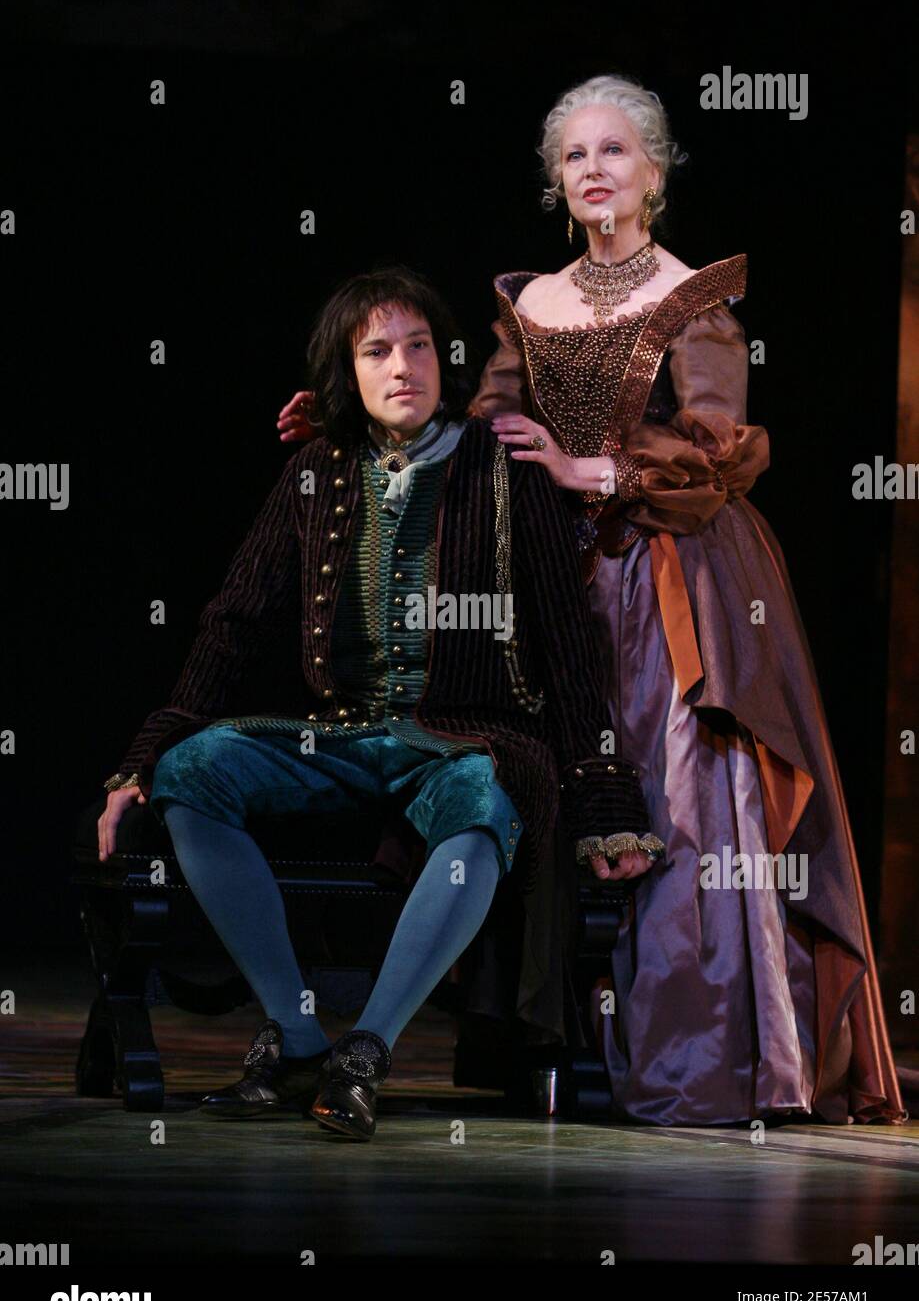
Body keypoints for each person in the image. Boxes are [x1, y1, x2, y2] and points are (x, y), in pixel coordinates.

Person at [277, 76, 906, 1127]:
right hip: (551, 581)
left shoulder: (694, 303)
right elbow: (475, 433)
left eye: (615, 152)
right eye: (574, 157)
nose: (594, 171)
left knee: (680, 797)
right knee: (554, 781)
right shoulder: (532, 304)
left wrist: (582, 472)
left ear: (654, 173)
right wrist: (346, 430)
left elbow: (713, 456)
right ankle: (558, 1043)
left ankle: (704, 1057)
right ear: (556, 183)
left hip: (679, 576)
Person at [97, 265, 661, 1142]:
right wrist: (144, 756)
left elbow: (566, 640)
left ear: (445, 360)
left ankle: (365, 1051)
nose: (403, 366)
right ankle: (294, 1034)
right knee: (192, 771)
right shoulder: (316, 473)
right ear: (346, 376)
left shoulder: (505, 468)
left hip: (468, 739)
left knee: (482, 802)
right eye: (376, 351)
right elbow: (232, 624)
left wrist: (600, 793)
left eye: (419, 346)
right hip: (346, 735)